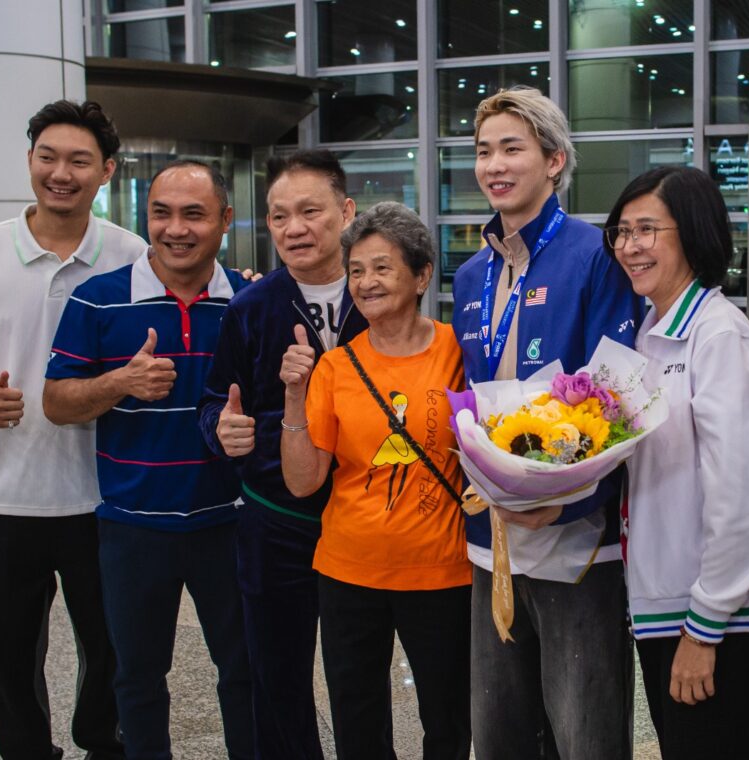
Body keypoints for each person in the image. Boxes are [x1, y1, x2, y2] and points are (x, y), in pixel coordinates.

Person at [0, 99, 144, 760]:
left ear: (105, 170)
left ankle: (98, 741)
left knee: (110, 647)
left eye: (79, 160)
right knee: (10, 655)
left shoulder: (129, 256)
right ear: (30, 162)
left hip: (103, 497)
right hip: (2, 499)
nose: (61, 172)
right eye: (47, 157)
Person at [451, 85, 644, 760]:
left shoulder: (596, 254)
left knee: (585, 734)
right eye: (483, 151)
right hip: (491, 540)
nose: (494, 165)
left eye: (512, 148)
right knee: (499, 733)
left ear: (555, 160)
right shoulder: (471, 273)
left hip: (578, 539)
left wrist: (563, 498)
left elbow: (614, 395)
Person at [43, 161, 254, 759]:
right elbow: (56, 402)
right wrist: (120, 383)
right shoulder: (99, 300)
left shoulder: (247, 299)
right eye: (161, 213)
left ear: (224, 220)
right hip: (132, 527)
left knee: (244, 672)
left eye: (194, 214)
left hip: (230, 523)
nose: (176, 229)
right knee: (136, 679)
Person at [605, 166, 749, 759]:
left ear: (695, 233)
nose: (630, 246)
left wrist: (705, 628)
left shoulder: (720, 341)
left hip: (711, 619)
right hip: (663, 604)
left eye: (647, 229)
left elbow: (742, 498)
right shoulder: (651, 331)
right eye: (622, 232)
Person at [281, 201, 471, 760]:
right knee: (358, 723)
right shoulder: (335, 367)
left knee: (448, 719)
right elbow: (303, 480)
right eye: (357, 271)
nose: (366, 283)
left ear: (421, 275)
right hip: (348, 572)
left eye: (382, 268)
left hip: (444, 573)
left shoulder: (459, 352)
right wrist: (294, 395)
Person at [198, 150, 367, 760]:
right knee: (277, 675)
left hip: (361, 516)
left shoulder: (380, 294)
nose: (294, 228)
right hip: (274, 519)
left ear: (346, 212)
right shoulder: (251, 307)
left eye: (310, 211)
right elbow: (216, 401)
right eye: (278, 216)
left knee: (357, 677)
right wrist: (223, 429)